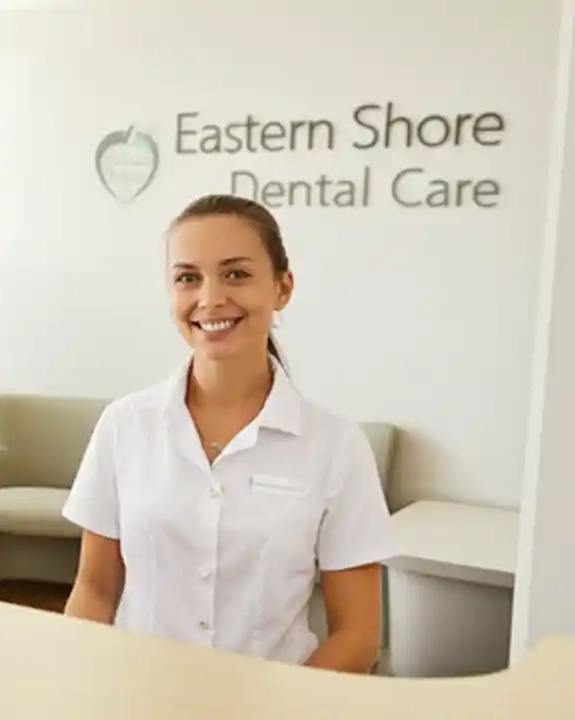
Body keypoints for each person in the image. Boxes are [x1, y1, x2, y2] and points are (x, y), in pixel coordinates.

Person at [61, 193, 398, 673]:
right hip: (136, 698)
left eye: (236, 274)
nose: (210, 298)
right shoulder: (124, 425)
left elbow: (357, 635)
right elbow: (95, 591)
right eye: (187, 278)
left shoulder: (336, 446)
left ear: (283, 288)